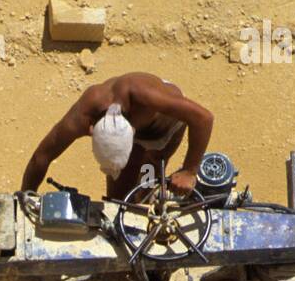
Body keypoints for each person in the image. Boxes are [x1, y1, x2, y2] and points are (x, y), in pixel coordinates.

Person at [21, 71, 214, 200]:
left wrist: (190, 171)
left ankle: (147, 202)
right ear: (91, 130)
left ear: (132, 132)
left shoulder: (146, 95)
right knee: (119, 202)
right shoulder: (83, 116)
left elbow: (203, 118)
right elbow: (41, 157)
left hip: (164, 132)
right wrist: (26, 198)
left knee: (149, 175)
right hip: (135, 135)